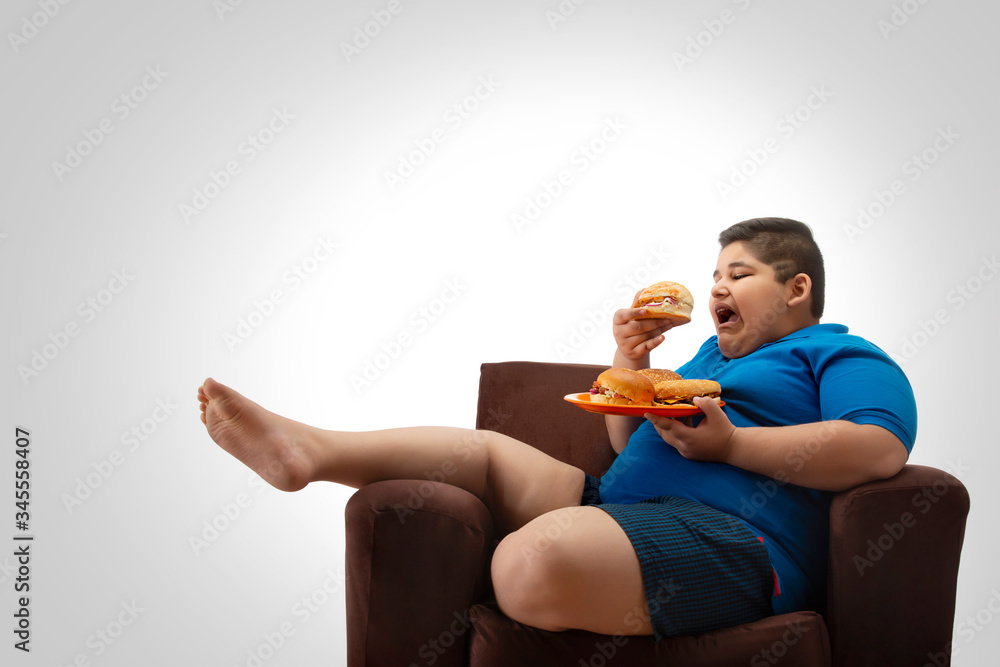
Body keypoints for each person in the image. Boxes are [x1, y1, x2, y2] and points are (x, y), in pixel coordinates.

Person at [197, 217, 916, 640]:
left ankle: (549, 560)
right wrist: (629, 365)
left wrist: (731, 444)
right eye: (715, 276)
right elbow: (626, 443)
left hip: (734, 538)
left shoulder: (837, 353)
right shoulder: (706, 356)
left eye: (740, 274)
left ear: (797, 289)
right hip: (616, 503)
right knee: (484, 453)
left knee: (528, 564)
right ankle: (309, 451)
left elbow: (879, 447)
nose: (717, 289)